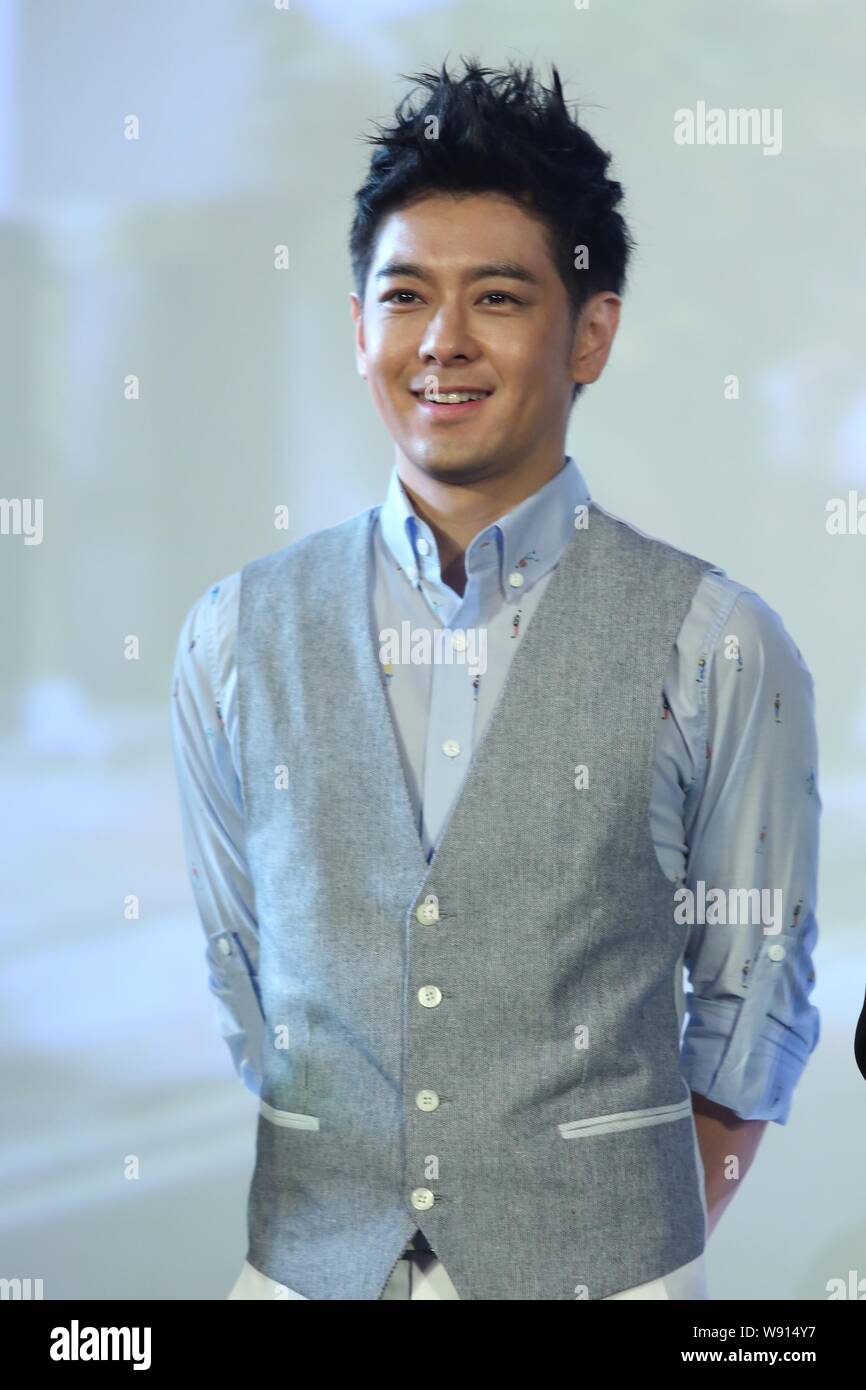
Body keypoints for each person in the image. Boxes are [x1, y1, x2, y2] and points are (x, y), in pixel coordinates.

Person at [170, 57, 820, 1301]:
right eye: (404, 294)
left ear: (591, 331)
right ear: (358, 326)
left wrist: (608, 1233)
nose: (441, 342)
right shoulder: (230, 637)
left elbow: (747, 1008)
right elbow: (243, 976)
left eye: (499, 298)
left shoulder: (717, 641)